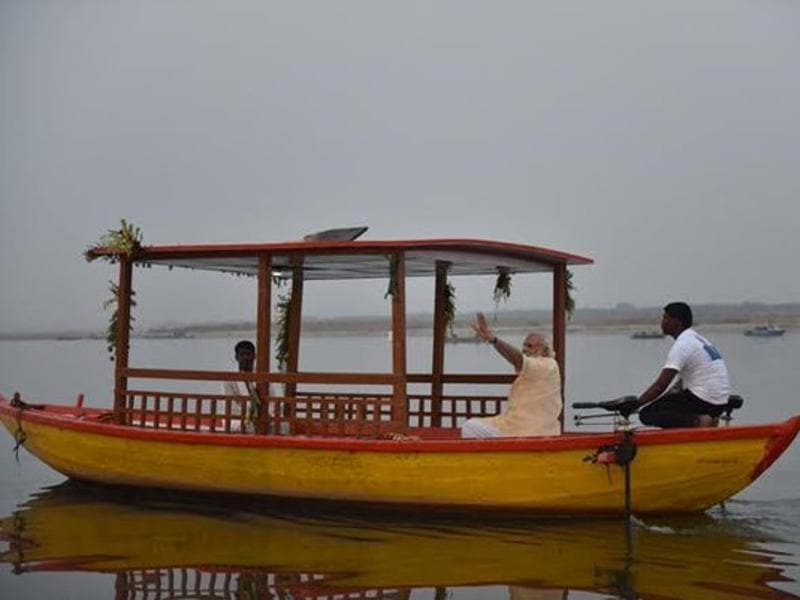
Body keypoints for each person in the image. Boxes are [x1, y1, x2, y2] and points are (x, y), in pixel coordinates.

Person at [461, 313, 562, 438]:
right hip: (516, 426)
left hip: (530, 430)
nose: (524, 349)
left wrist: (494, 340)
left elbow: (517, 359)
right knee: (472, 426)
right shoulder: (538, 367)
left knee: (470, 427)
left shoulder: (547, 365)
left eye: (530, 346)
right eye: (524, 345)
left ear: (544, 350)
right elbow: (519, 360)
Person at [633, 302, 731, 428]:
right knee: (664, 405)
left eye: (666, 318)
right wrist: (661, 400)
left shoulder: (683, 344)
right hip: (720, 402)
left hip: (704, 400)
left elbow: (660, 385)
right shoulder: (697, 338)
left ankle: (699, 422)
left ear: (677, 322)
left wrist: (636, 404)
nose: (662, 322)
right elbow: (679, 385)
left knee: (647, 413)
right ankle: (706, 421)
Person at [222, 340, 260, 432]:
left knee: (283, 425)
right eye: (242, 355)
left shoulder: (261, 376)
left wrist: (263, 415)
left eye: (248, 354)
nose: (246, 357)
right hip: (236, 418)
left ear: (254, 356)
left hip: (261, 417)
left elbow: (271, 400)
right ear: (236, 357)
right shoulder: (229, 379)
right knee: (247, 426)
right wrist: (250, 416)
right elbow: (231, 407)